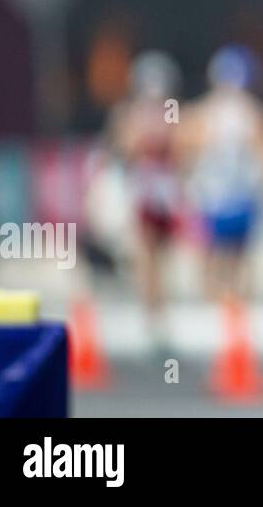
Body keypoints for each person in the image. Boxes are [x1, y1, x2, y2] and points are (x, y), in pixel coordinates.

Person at [176, 44, 263, 305]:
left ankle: (229, 308)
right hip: (216, 195)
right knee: (218, 259)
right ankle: (222, 306)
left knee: (233, 260)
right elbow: (183, 149)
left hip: (234, 194)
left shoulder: (250, 113)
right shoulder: (207, 113)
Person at [104, 49, 183, 356]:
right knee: (145, 255)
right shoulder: (130, 114)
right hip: (142, 191)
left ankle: (159, 314)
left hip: (164, 192)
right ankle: (152, 316)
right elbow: (122, 148)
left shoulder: (172, 113)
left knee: (162, 258)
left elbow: (182, 147)